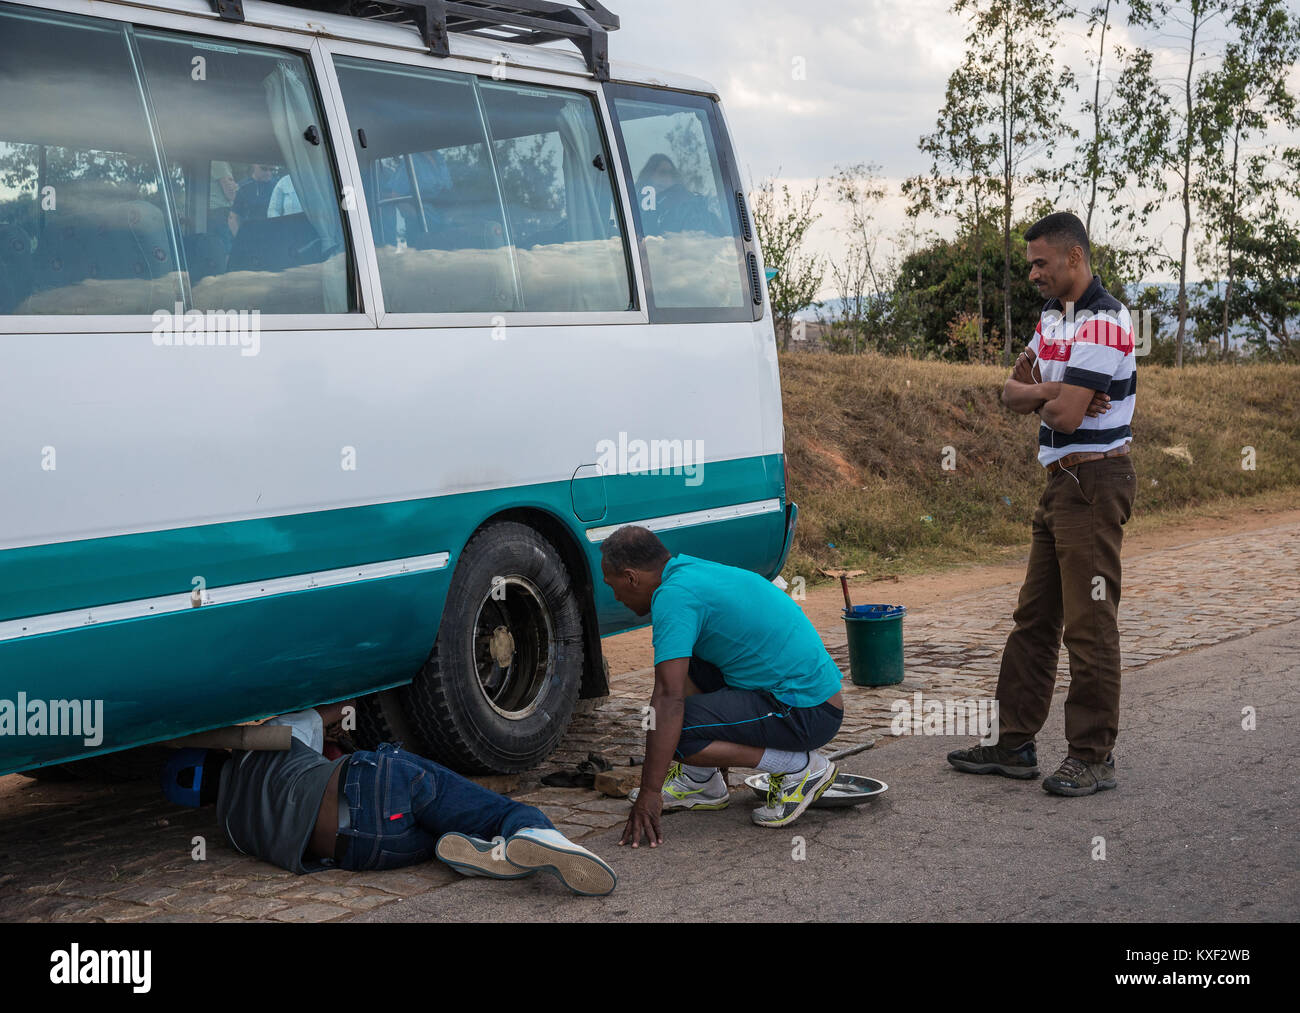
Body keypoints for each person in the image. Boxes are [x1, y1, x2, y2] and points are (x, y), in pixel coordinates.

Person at [948, 210, 1137, 797]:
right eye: (1030, 263)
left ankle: (1092, 755)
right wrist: (1058, 389)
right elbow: (1011, 392)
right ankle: (1014, 746)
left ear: (1074, 257)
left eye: (1040, 262)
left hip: (1095, 483)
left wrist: (1050, 395)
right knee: (1034, 619)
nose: (1033, 273)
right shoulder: (1054, 319)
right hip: (1060, 483)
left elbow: (1064, 416)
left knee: (1088, 625)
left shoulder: (1104, 321)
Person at [164, 701, 616, 896]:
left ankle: (484, 852)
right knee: (501, 810)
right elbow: (325, 715)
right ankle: (541, 835)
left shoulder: (231, 833)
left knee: (442, 822)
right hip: (374, 786)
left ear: (201, 804)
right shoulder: (263, 744)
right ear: (220, 753)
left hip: (368, 848)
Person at [603, 526, 844, 848]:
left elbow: (667, 697)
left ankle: (801, 768)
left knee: (675, 729)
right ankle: (701, 782)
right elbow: (673, 681)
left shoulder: (674, 596)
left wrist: (650, 791)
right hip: (809, 698)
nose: (615, 596)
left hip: (805, 711)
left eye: (613, 585)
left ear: (631, 577)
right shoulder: (690, 571)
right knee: (686, 664)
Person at [634, 154, 723, 237]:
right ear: (649, 176)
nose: (667, 178)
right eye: (662, 172)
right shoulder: (633, 208)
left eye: (672, 174)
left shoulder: (692, 209)